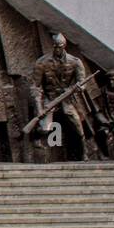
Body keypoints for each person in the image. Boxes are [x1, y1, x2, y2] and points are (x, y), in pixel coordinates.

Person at [30, 32, 96, 161]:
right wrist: (39, 107)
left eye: (59, 46)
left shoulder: (75, 62)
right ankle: (36, 137)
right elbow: (35, 86)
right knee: (44, 129)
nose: (57, 49)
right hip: (50, 98)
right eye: (55, 46)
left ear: (64, 46)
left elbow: (82, 82)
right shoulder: (42, 62)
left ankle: (84, 153)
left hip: (67, 99)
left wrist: (79, 88)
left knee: (77, 126)